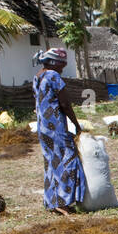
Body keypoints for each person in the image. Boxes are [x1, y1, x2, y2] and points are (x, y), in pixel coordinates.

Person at [32, 48, 86, 216]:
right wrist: (76, 124)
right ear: (55, 63)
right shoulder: (53, 76)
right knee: (67, 159)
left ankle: (51, 201)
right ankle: (62, 203)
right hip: (55, 126)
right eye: (62, 64)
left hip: (43, 126)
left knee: (51, 162)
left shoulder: (38, 76)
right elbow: (65, 104)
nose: (63, 68)